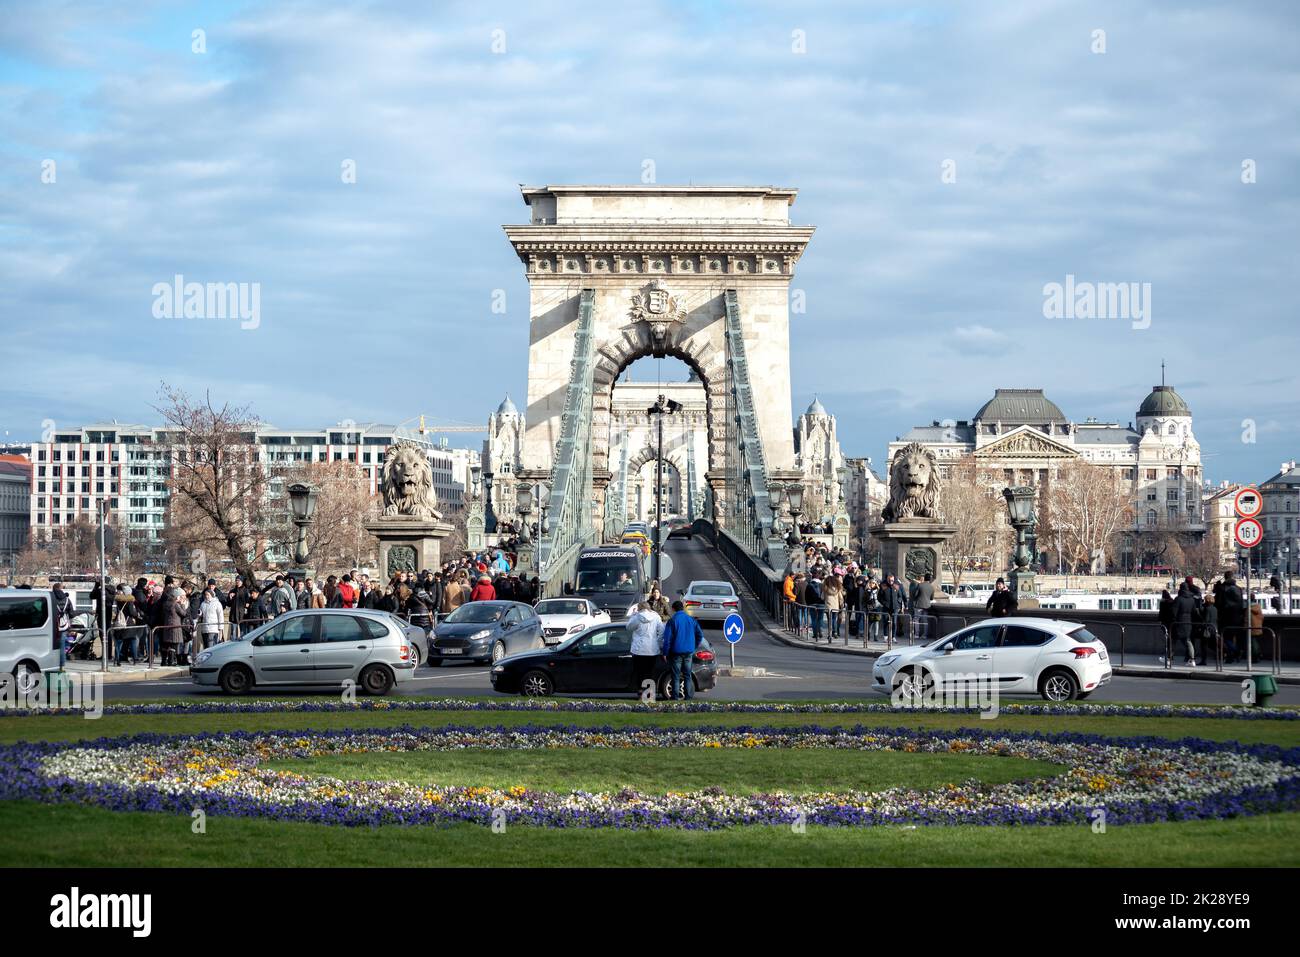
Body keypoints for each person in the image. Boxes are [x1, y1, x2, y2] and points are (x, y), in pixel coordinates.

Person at [660, 600, 702, 700]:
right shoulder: (691, 620)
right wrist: (694, 646)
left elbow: (667, 639)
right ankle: (688, 697)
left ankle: (675, 697)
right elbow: (700, 635)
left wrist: (665, 653)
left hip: (676, 652)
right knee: (687, 675)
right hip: (688, 652)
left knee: (676, 675)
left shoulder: (672, 620)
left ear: (673, 609)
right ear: (682, 608)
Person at [628, 600, 665, 693]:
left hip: (639, 649)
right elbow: (661, 631)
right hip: (652, 649)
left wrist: (632, 615)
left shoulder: (637, 617)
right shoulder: (656, 617)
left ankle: (641, 691)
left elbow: (628, 627)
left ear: (639, 608)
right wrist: (657, 642)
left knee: (640, 671)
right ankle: (649, 693)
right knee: (650, 672)